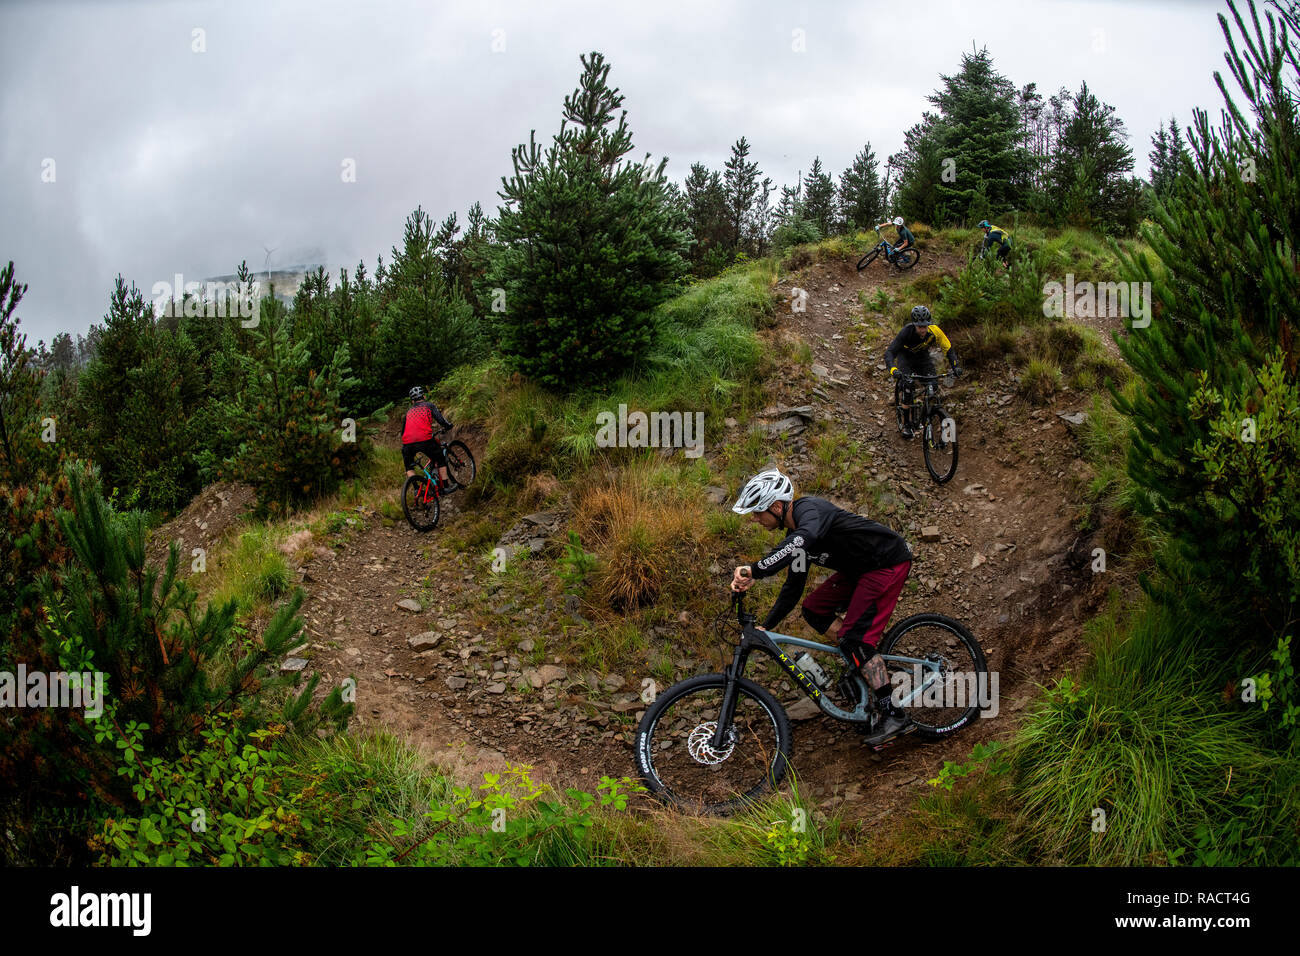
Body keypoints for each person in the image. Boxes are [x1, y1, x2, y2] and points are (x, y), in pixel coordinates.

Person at [729, 468, 916, 748]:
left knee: (856, 639)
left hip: (884, 563)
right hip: (860, 570)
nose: (755, 519)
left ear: (777, 507)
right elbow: (793, 588)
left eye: (758, 512)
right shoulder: (799, 539)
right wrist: (767, 626)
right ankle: (861, 663)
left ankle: (893, 713)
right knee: (814, 609)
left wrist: (755, 570)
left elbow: (801, 540)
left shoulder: (809, 512)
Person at [883, 306, 962, 439]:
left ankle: (926, 414)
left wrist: (955, 366)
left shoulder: (935, 331)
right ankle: (907, 425)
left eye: (925, 326)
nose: (923, 329)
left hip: (922, 357)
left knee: (933, 385)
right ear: (914, 325)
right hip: (906, 358)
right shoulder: (906, 332)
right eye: (920, 327)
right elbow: (889, 353)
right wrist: (893, 370)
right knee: (908, 385)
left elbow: (948, 349)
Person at [401, 385, 454, 487]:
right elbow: (441, 420)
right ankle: (446, 486)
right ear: (424, 397)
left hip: (407, 443)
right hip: (425, 439)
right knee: (440, 459)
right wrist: (448, 426)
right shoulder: (429, 405)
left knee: (409, 467)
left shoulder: (408, 412)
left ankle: (416, 489)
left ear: (412, 401)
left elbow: (403, 432)